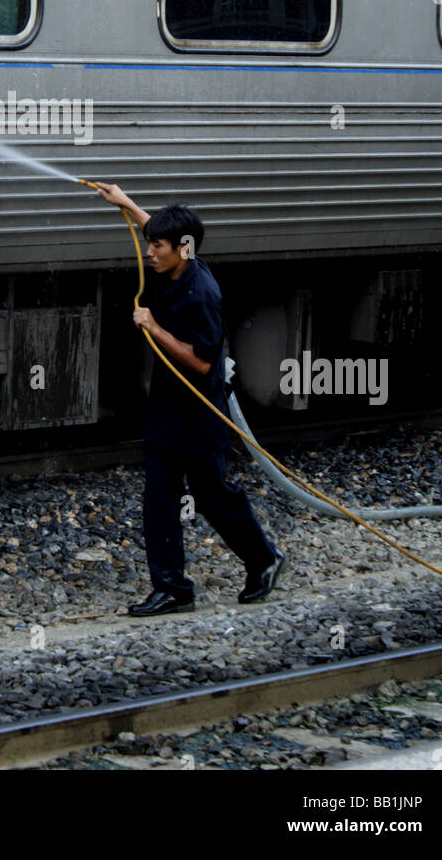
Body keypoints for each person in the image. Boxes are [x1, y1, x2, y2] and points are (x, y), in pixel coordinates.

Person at [93, 183, 284, 614]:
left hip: (199, 413)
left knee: (214, 495)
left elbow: (201, 363)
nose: (149, 253)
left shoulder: (203, 294)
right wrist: (126, 203)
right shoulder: (180, 260)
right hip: (165, 408)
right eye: (150, 244)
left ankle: (265, 558)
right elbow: (158, 232)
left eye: (156, 246)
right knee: (159, 498)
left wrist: (153, 326)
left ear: (181, 249)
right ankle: (172, 588)